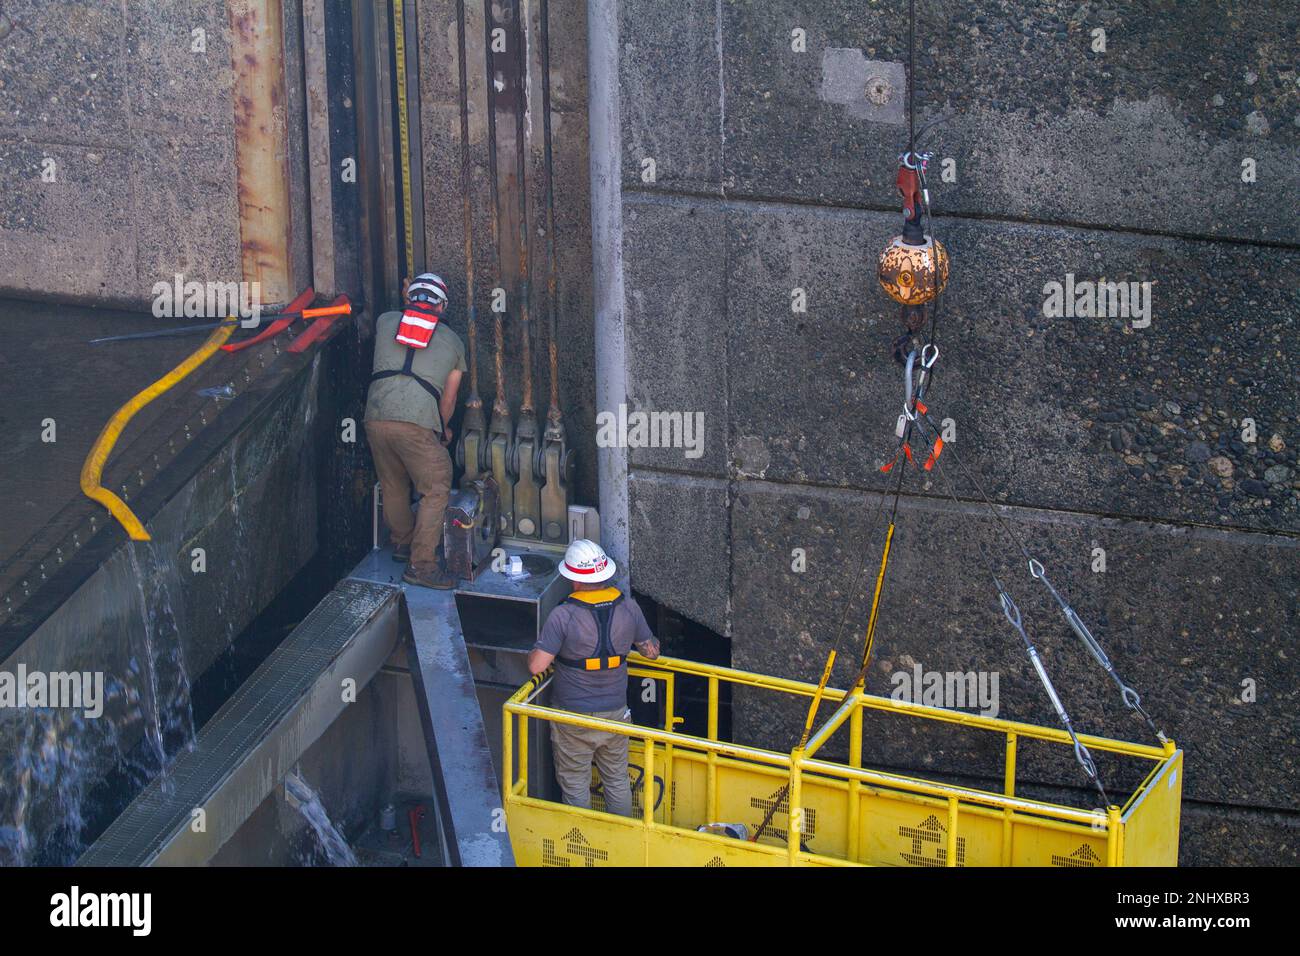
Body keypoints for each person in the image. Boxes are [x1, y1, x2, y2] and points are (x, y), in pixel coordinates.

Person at [527, 539, 660, 817]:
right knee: (617, 780)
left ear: (572, 578)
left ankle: (585, 850)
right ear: (605, 574)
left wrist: (535, 650)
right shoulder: (630, 608)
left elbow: (537, 667)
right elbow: (651, 653)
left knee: (575, 784)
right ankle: (620, 843)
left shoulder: (562, 615)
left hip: (573, 718)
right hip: (616, 715)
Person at [364, 273, 466, 589]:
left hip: (376, 417)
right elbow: (448, 400)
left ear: (408, 298)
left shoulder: (385, 321)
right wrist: (442, 430)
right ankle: (422, 566)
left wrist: (408, 295)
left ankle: (403, 543)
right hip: (417, 420)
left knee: (392, 483)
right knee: (435, 486)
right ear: (443, 306)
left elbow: (408, 314)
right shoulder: (453, 341)